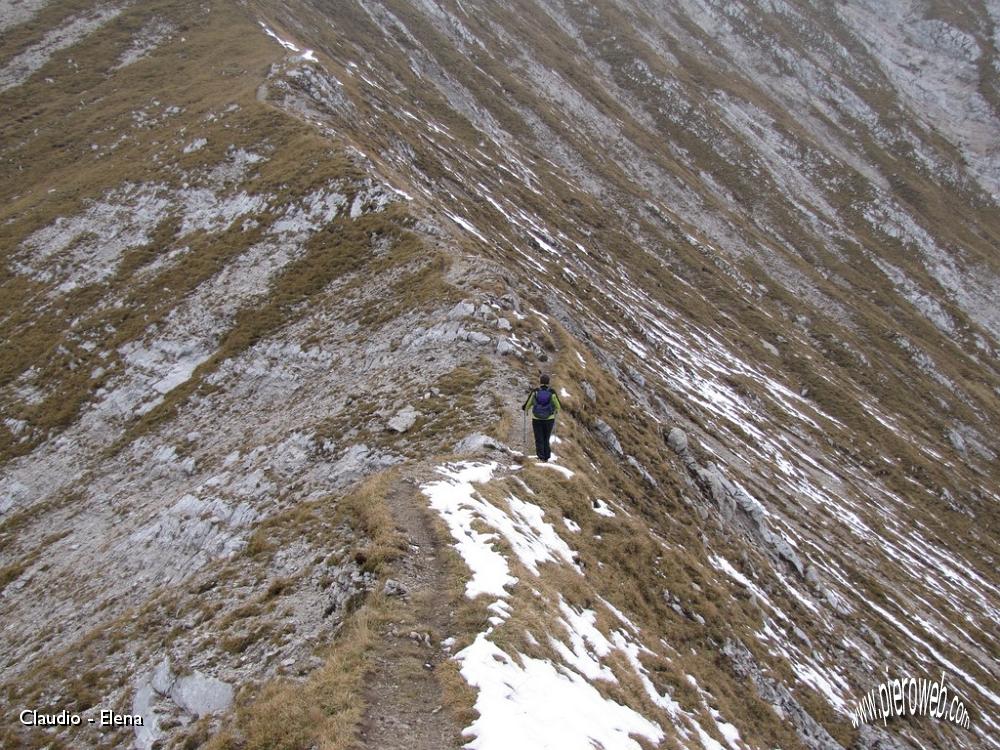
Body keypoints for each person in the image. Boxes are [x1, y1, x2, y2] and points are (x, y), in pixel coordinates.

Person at [522, 373, 561, 462]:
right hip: (549, 419)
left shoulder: (535, 391)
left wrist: (526, 409)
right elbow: (558, 406)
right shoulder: (552, 392)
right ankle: (547, 456)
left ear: (540, 382)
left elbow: (528, 404)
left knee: (539, 437)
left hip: (537, 419)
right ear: (548, 382)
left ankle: (540, 456)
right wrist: (555, 410)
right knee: (546, 437)